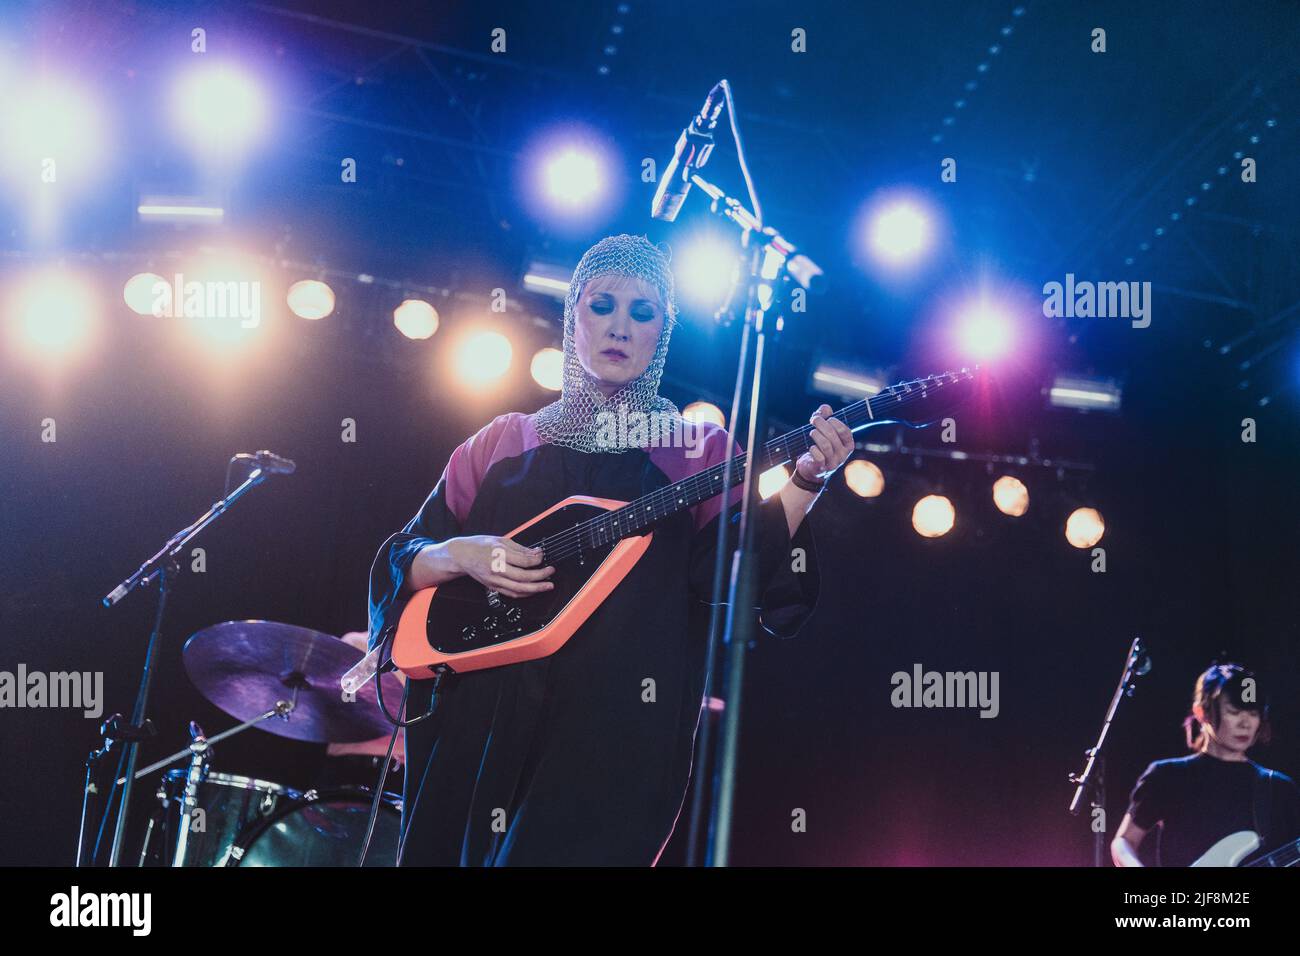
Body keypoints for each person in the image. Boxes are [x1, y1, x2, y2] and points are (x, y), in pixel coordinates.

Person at [367, 234, 853, 865]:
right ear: (574, 318)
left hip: (611, 737)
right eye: (602, 305)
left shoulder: (700, 451)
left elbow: (736, 577)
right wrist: (460, 553)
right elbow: (404, 559)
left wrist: (806, 481)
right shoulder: (498, 445)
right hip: (473, 725)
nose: (620, 326)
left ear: (662, 334)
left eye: (642, 312)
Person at [1111, 663, 1300, 867]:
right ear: (1202, 713)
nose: (1245, 723)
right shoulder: (1168, 775)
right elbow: (1124, 841)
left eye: (1253, 713)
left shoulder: (1278, 788)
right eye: (1234, 711)